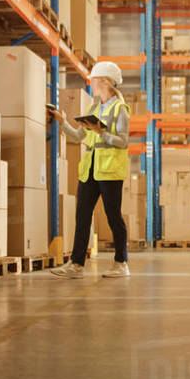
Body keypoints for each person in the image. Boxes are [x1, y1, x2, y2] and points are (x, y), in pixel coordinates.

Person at [48, 61, 132, 279]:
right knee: (82, 216)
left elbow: (123, 142)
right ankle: (76, 265)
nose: (92, 84)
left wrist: (100, 132)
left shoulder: (119, 109)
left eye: (94, 80)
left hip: (110, 171)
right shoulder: (94, 108)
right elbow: (78, 137)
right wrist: (62, 122)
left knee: (113, 217)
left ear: (105, 82)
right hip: (91, 170)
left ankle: (121, 263)